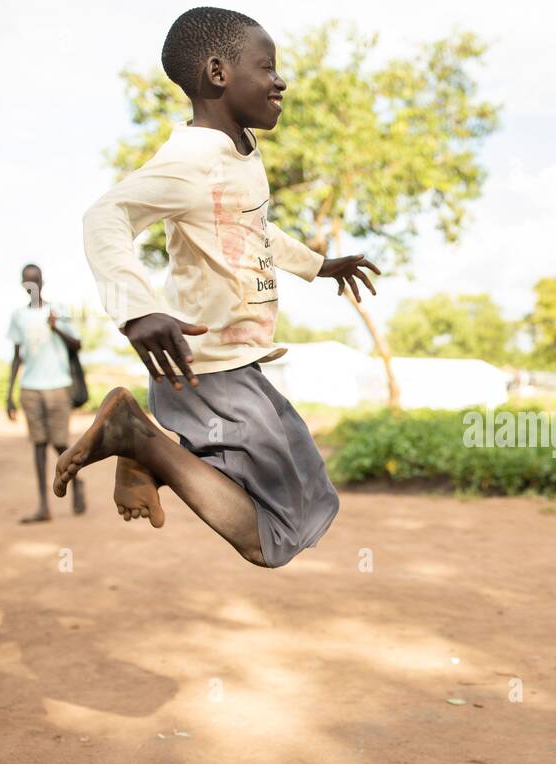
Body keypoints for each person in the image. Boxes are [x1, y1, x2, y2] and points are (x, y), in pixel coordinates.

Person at [56, 5, 378, 568]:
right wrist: (136, 311)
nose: (280, 79)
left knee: (310, 496)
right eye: (266, 66)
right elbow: (103, 218)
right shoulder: (189, 161)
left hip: (235, 364)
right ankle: (139, 439)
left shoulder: (239, 152)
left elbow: (254, 228)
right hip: (205, 369)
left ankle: (148, 450)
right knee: (271, 537)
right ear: (218, 73)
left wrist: (321, 266)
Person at [7, 263, 85, 522]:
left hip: (58, 386)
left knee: (60, 444)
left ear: (42, 282)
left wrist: (56, 327)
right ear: (22, 285)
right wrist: (9, 394)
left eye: (36, 280)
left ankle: (76, 482)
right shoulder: (18, 316)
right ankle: (44, 506)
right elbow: (16, 357)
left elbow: (78, 344)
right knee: (38, 445)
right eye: (27, 281)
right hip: (30, 388)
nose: (32, 285)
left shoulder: (58, 311)